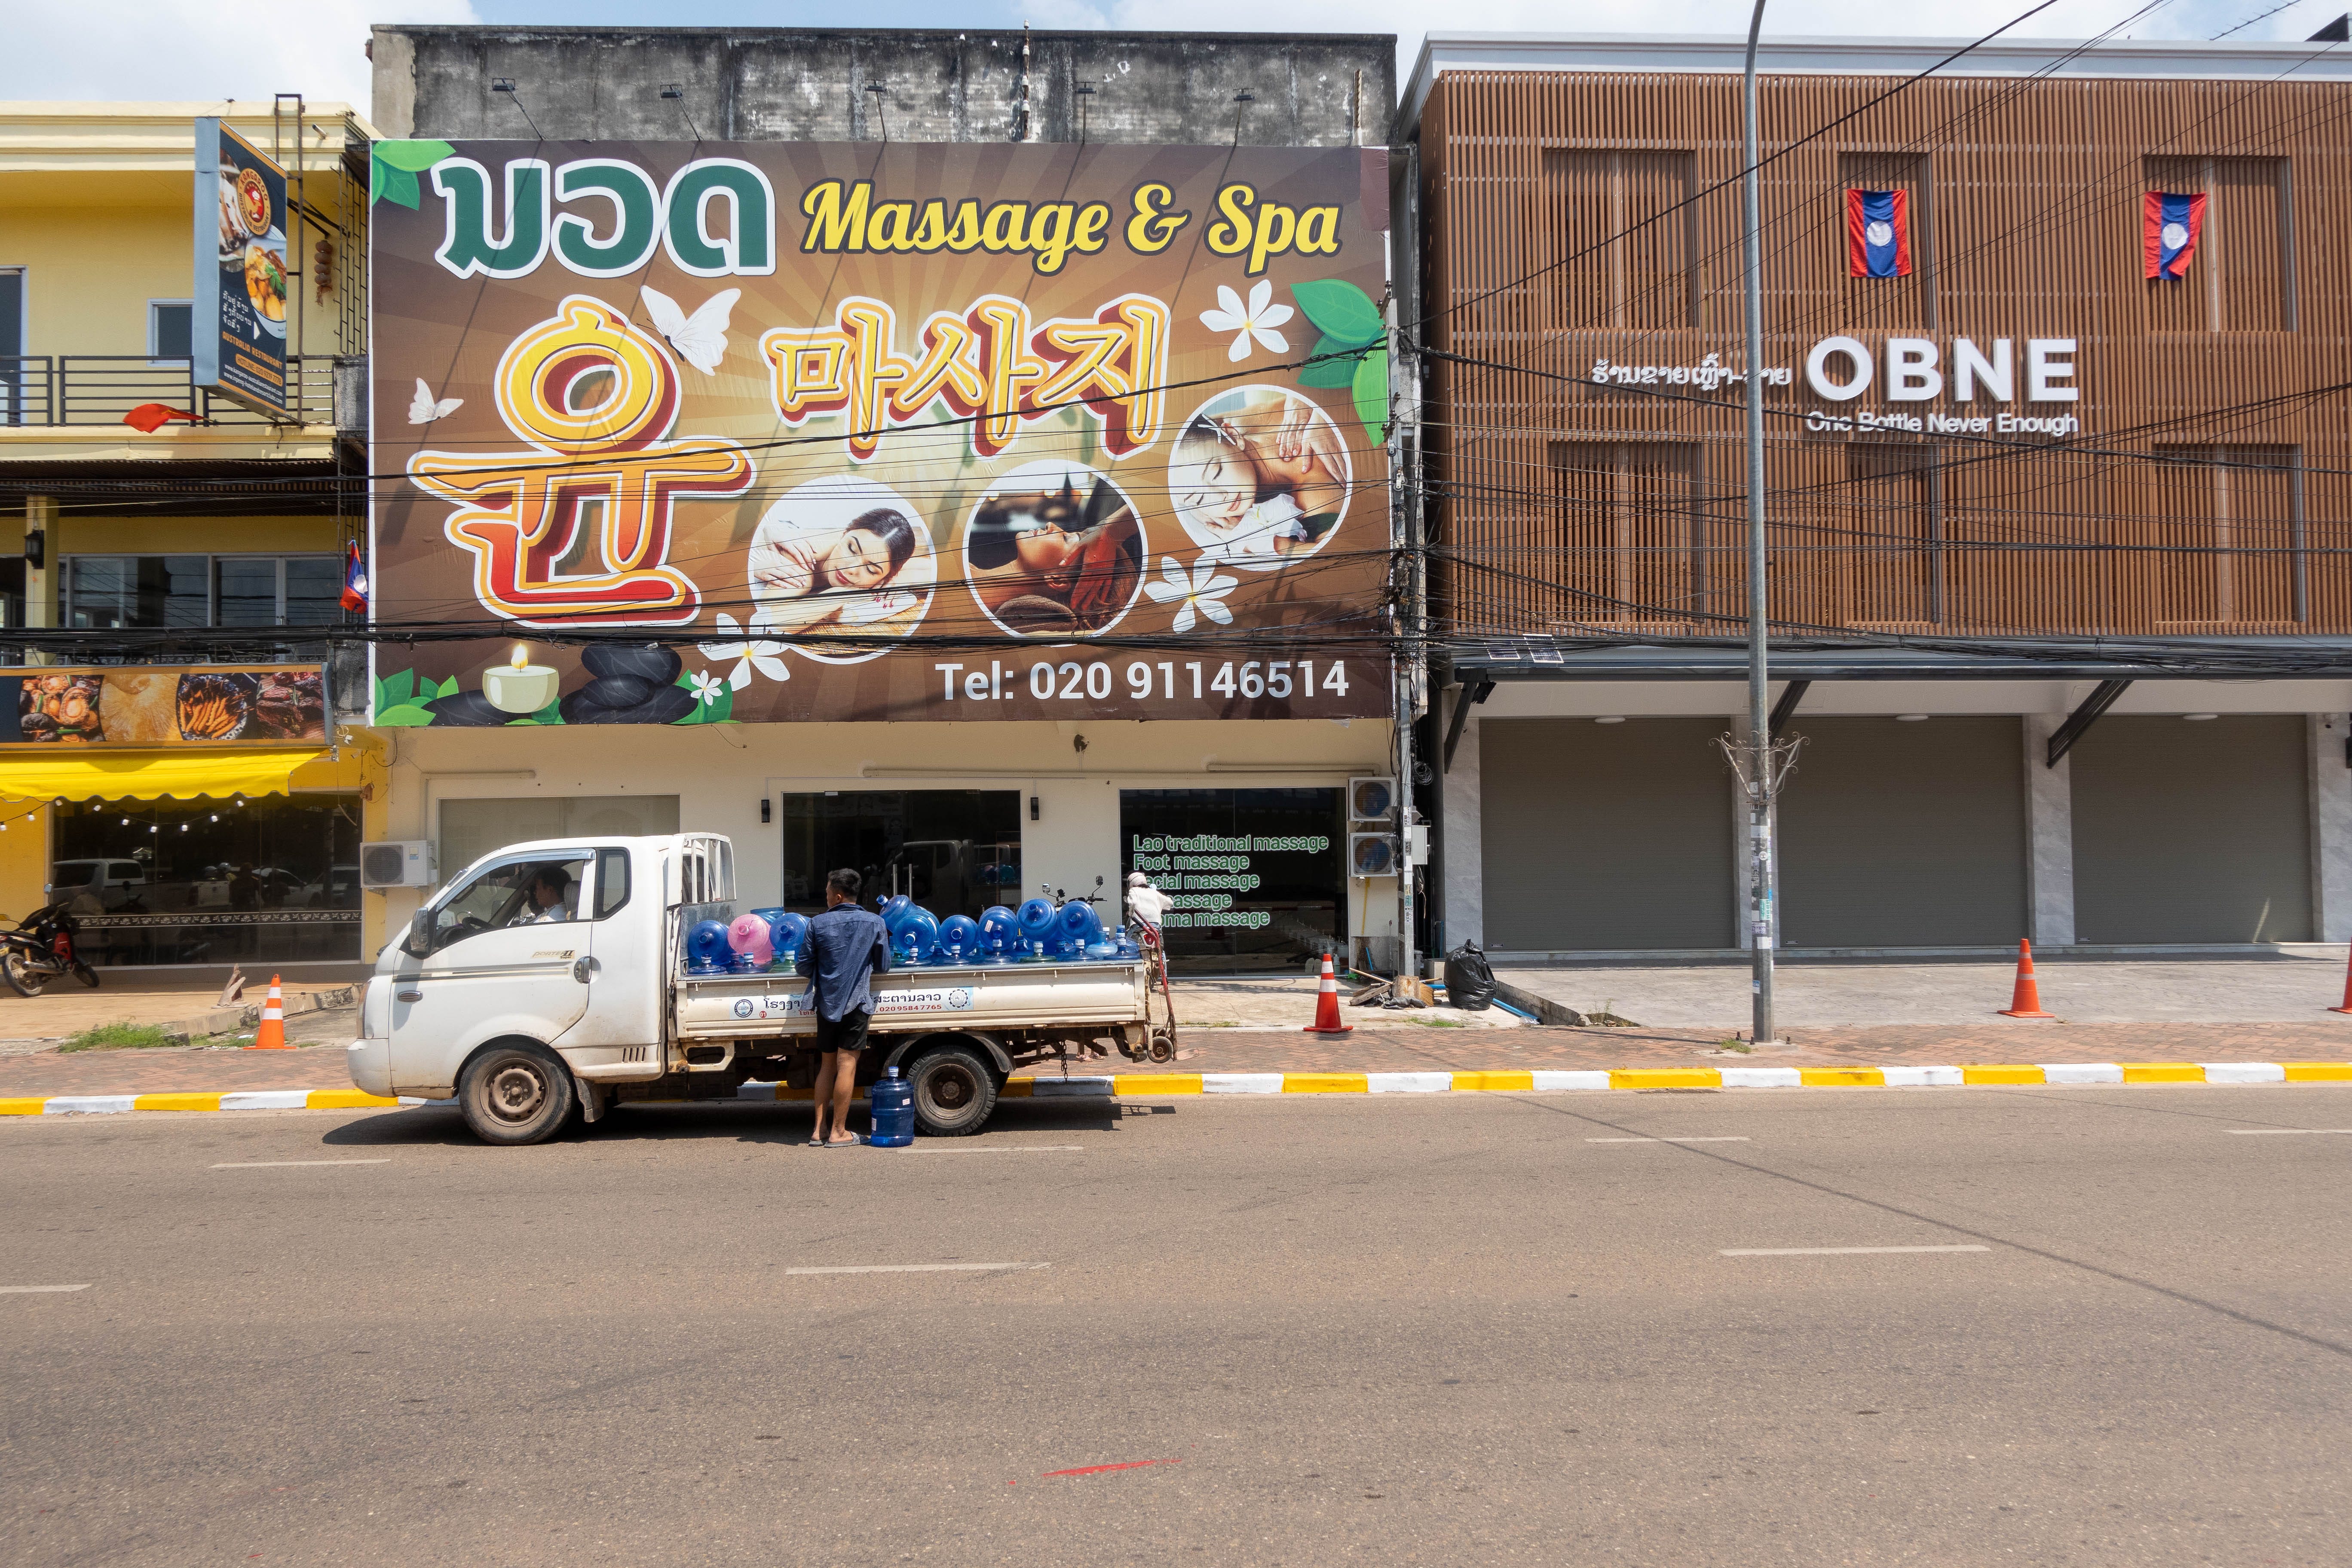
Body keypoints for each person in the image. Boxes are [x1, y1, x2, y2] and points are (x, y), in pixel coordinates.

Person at [1169, 389, 1349, 562]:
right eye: (1199, 499)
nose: (1219, 498)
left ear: (1234, 437)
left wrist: (1255, 540)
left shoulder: (1312, 486)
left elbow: (1335, 555)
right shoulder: (1234, 426)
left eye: (1217, 473)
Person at [796, 867, 891, 1147]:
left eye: (827, 892)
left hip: (826, 1004)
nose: (826, 897)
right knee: (846, 1064)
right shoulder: (875, 922)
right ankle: (839, 1132)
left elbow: (803, 966)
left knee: (827, 1066)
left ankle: (819, 1130)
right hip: (856, 1005)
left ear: (837, 896)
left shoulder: (816, 924)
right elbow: (884, 966)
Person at [748, 502, 925, 636]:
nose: (851, 569)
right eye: (851, 549)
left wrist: (895, 580)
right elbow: (767, 622)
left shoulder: (877, 559)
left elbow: (927, 568)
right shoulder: (804, 561)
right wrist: (841, 594)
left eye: (871, 569)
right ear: (844, 534)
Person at [507, 865, 571, 925]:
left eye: (537, 888)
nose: (535, 893)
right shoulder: (570, 912)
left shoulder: (545, 922)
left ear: (549, 890)